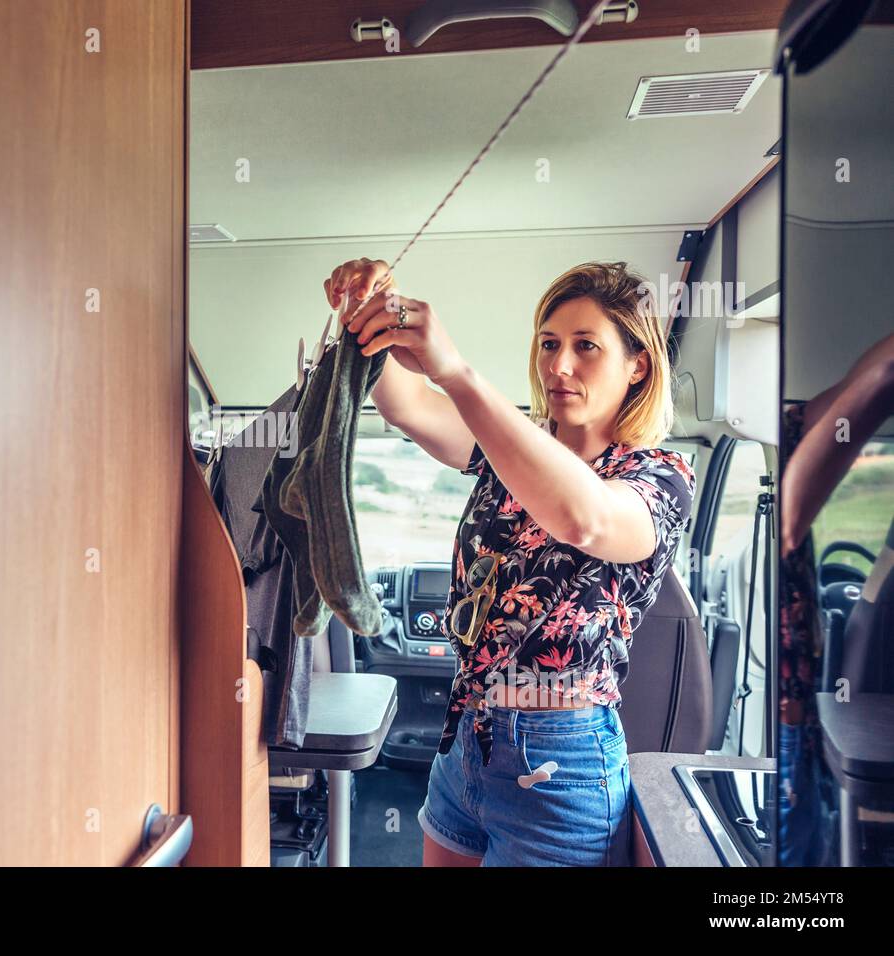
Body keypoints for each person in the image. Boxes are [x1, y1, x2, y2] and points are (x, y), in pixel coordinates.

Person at [323, 258, 695, 866]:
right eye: (549, 343)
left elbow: (585, 517)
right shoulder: (512, 445)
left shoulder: (660, 478)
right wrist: (368, 312)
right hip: (467, 734)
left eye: (585, 347)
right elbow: (406, 406)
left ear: (637, 366)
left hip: (560, 759)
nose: (558, 365)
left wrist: (456, 370)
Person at [777, 332, 894, 866]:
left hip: (794, 710)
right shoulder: (786, 447)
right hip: (791, 712)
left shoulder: (790, 434)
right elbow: (792, 511)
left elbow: (869, 381)